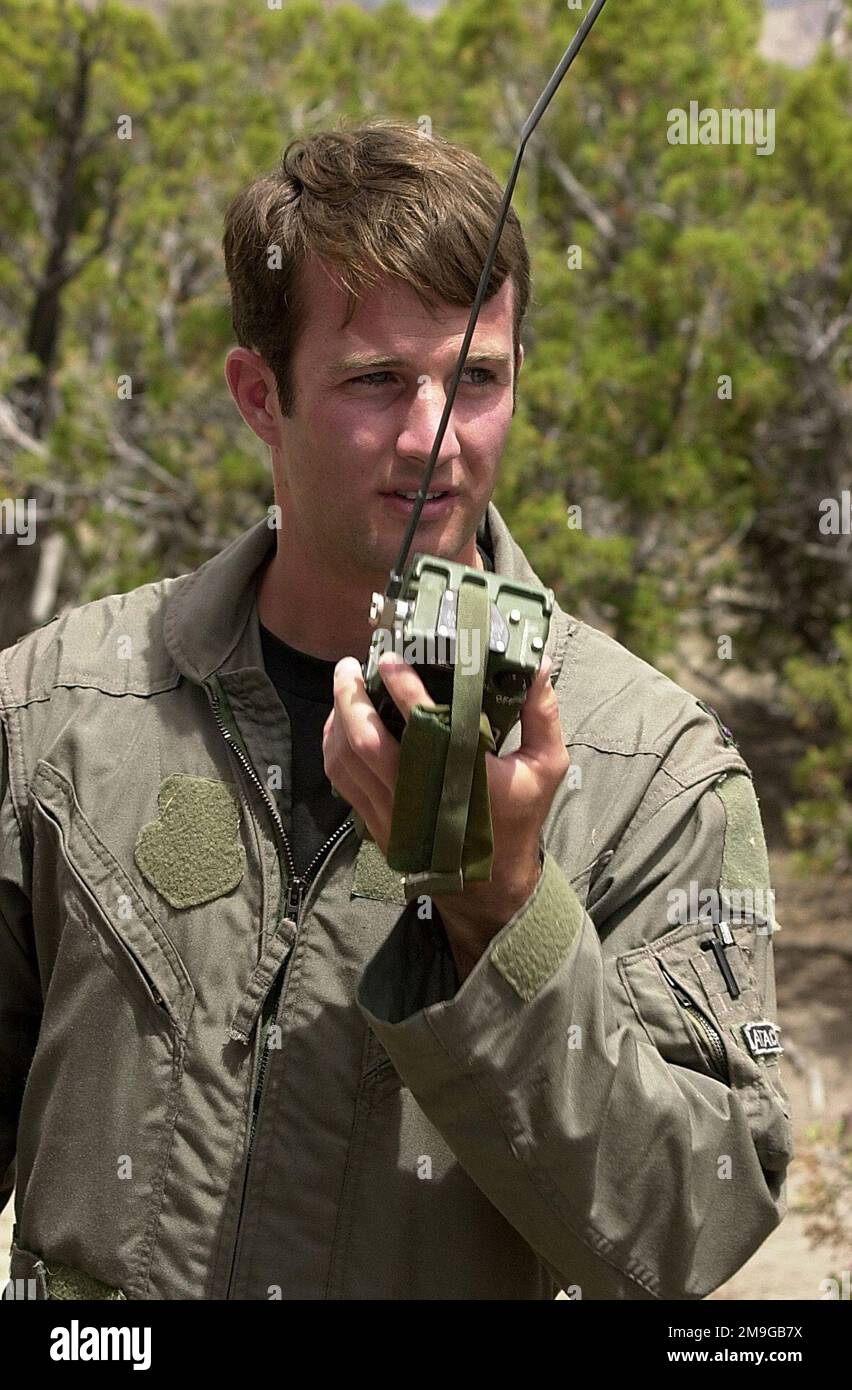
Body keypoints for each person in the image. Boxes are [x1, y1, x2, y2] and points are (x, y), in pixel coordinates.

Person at [0, 122, 792, 1301]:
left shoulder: (653, 771)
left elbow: (683, 1229)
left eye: (477, 378)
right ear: (259, 395)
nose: (436, 441)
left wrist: (500, 909)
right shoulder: (61, 710)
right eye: (378, 381)